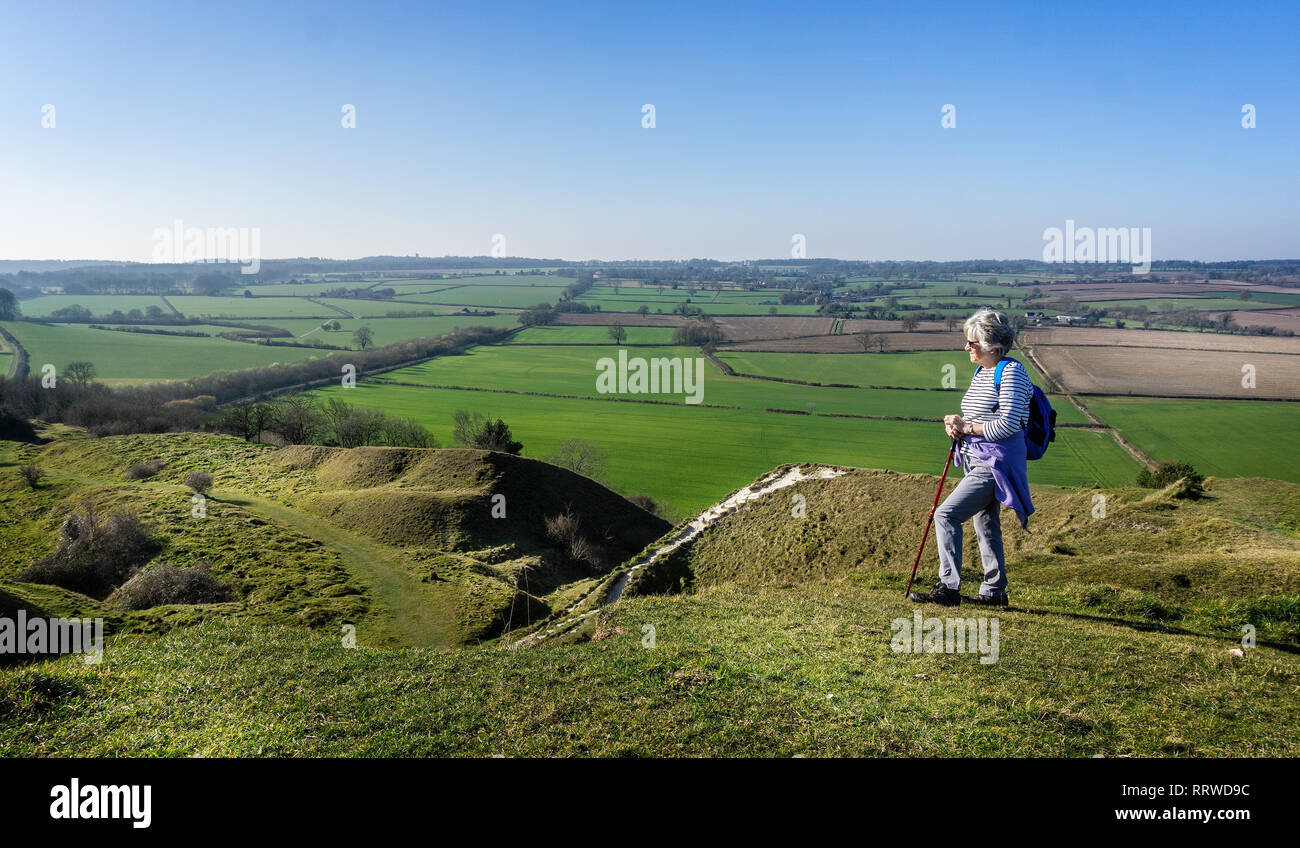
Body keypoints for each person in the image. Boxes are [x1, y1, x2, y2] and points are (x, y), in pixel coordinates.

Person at [910, 309, 1034, 607]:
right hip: (977, 458)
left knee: (945, 514)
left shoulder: (1012, 372)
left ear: (991, 343)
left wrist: (967, 427)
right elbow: (979, 416)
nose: (967, 347)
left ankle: (949, 587)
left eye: (972, 342)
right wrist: (956, 425)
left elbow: (1010, 424)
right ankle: (995, 592)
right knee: (985, 523)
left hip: (996, 464)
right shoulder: (984, 371)